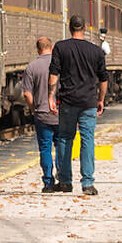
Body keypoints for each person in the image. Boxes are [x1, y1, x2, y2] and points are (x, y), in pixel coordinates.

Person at [50, 15, 108, 198]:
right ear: (85, 27)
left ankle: (65, 182)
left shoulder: (61, 47)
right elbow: (104, 79)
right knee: (87, 140)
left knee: (65, 139)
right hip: (88, 102)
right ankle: (88, 183)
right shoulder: (96, 51)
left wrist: (50, 96)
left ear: (70, 28)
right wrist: (101, 99)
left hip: (68, 101)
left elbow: (53, 74)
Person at [22, 36, 61, 193]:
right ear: (51, 48)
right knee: (61, 146)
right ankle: (62, 177)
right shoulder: (61, 65)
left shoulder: (31, 67)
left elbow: (26, 93)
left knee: (45, 148)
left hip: (42, 114)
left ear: (38, 49)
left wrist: (33, 109)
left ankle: (48, 182)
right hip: (59, 113)